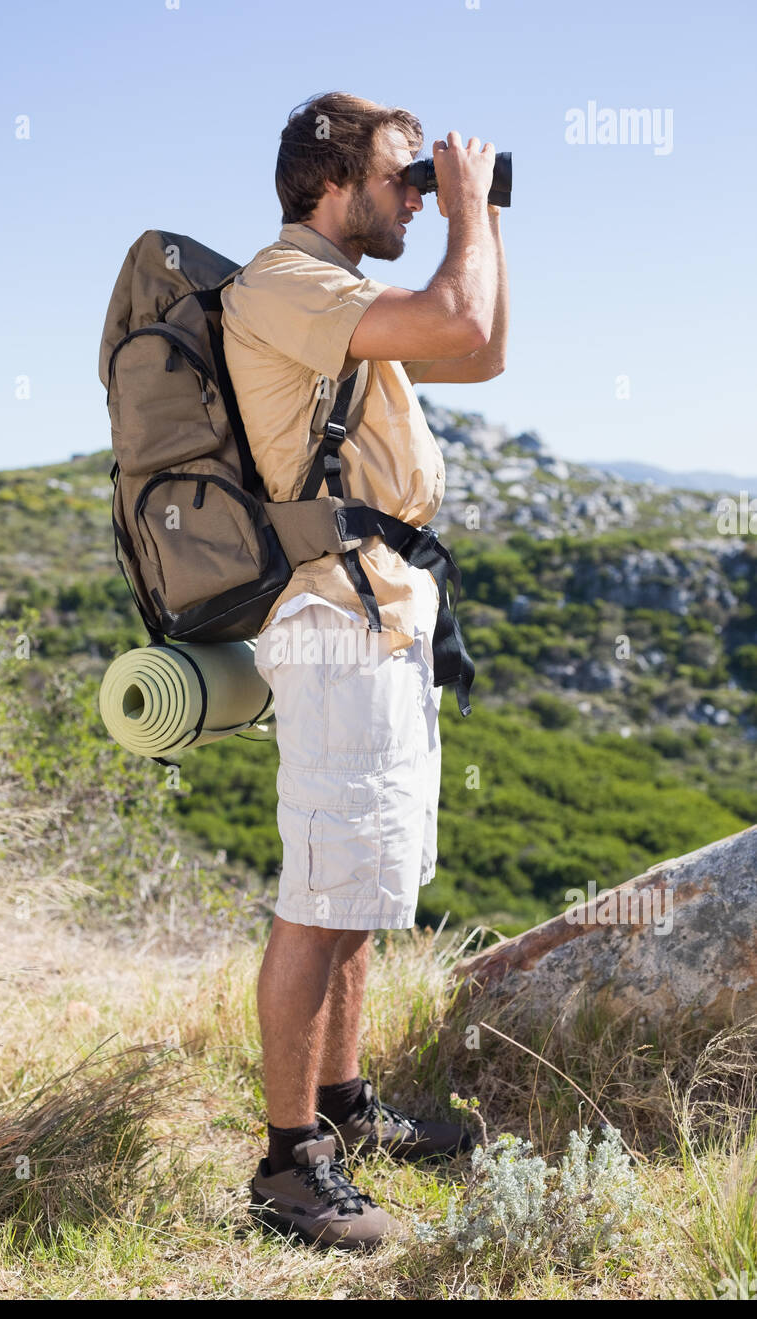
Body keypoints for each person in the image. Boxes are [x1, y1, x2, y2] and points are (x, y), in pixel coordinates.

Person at [220, 90, 508, 1251]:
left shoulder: (341, 295)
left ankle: (344, 1108)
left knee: (362, 886)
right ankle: (288, 1164)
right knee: (316, 897)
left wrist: (483, 218)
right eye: (402, 173)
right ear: (329, 177)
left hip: (379, 613)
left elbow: (477, 347)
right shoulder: (289, 283)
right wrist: (470, 217)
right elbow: (451, 317)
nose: (415, 193)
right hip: (332, 619)